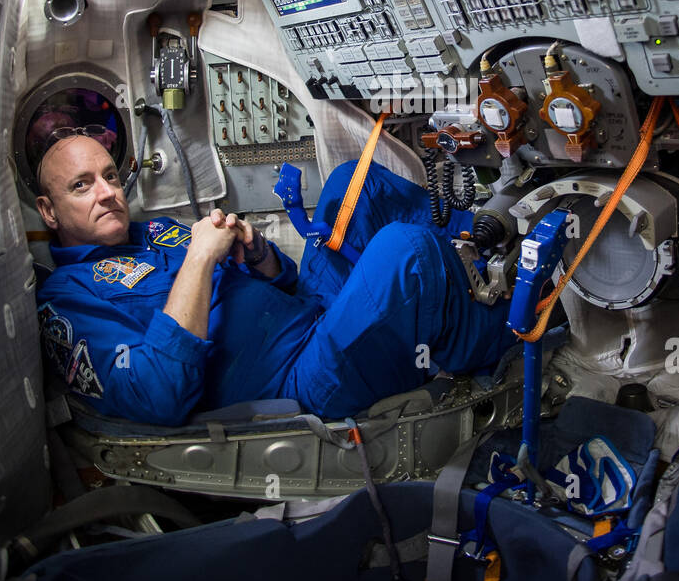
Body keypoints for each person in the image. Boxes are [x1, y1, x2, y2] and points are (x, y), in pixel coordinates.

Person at [33, 131, 514, 426]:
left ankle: (485, 242)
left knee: (354, 181)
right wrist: (200, 260)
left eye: (111, 176)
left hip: (311, 311)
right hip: (296, 384)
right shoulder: (68, 299)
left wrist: (259, 255)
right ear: (48, 211)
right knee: (401, 251)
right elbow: (158, 395)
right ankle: (513, 323)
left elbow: (279, 282)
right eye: (82, 185)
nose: (106, 192)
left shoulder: (154, 232)